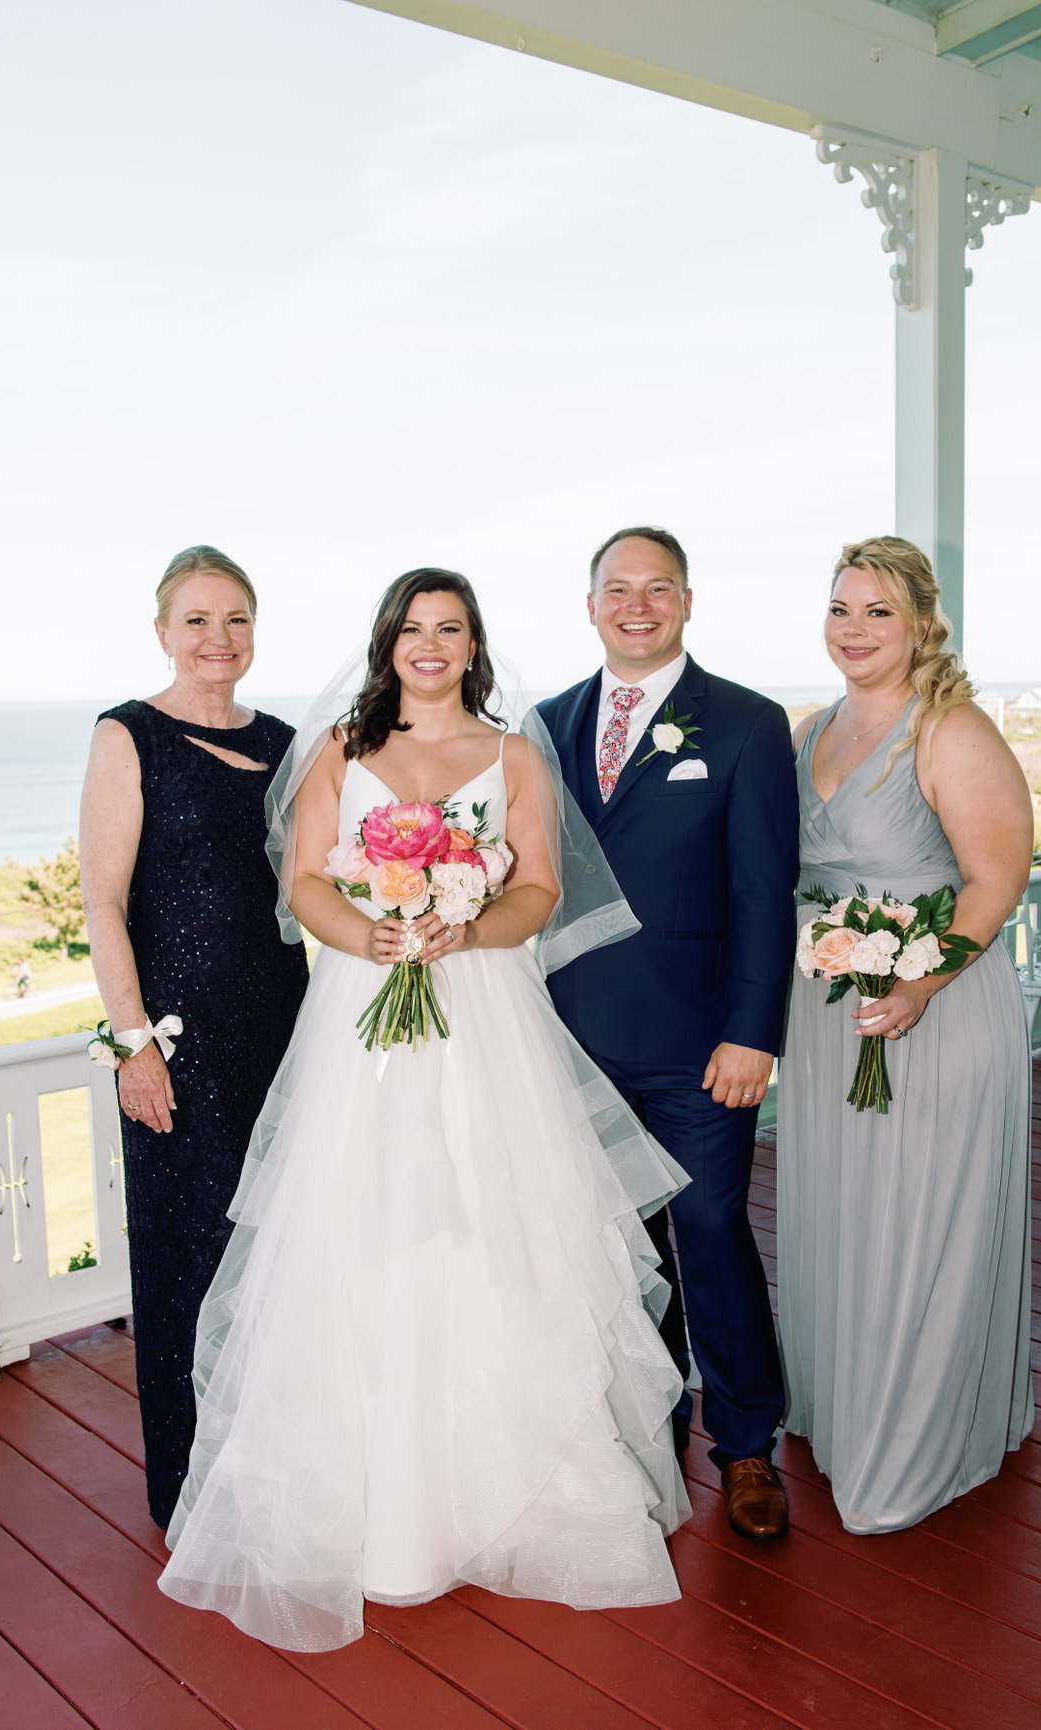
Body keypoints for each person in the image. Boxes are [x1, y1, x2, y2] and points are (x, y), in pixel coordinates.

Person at [157, 568, 690, 1651]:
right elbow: (306, 877)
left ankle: (515, 1497)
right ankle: (375, 1514)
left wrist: (467, 927)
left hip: (483, 1012)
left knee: (498, 1229)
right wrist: (376, 936)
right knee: (363, 1236)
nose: (430, 644)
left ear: (475, 644)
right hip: (366, 1013)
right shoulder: (342, 753)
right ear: (387, 642)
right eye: (413, 628)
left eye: (450, 628)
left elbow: (538, 885)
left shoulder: (515, 756)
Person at [537, 527, 800, 1541]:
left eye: (657, 588)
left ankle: (744, 1446)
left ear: (687, 601)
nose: (635, 604)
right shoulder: (548, 723)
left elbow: (764, 896)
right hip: (574, 1040)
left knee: (709, 1229)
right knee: (614, 1244)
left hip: (702, 1048)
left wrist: (753, 1034)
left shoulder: (742, 722)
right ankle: (650, 1431)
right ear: (590, 602)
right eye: (617, 588)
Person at [777, 535, 1034, 1534]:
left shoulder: (952, 731)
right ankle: (843, 1408)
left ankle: (916, 1437)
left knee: (921, 1214)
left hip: (937, 1005)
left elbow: (996, 880)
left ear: (925, 622)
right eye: (840, 608)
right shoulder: (810, 731)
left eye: (878, 610)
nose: (854, 629)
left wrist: (922, 979)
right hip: (830, 1011)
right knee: (847, 1209)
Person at [79, 545, 309, 1529]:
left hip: (287, 1031)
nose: (219, 639)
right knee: (193, 1254)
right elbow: (102, 897)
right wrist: (133, 1040)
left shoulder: (293, 742)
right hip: (178, 1043)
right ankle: (198, 1487)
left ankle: (287, 1465)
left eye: (237, 619)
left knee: (284, 1249)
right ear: (164, 630)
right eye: (199, 619)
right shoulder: (126, 734)